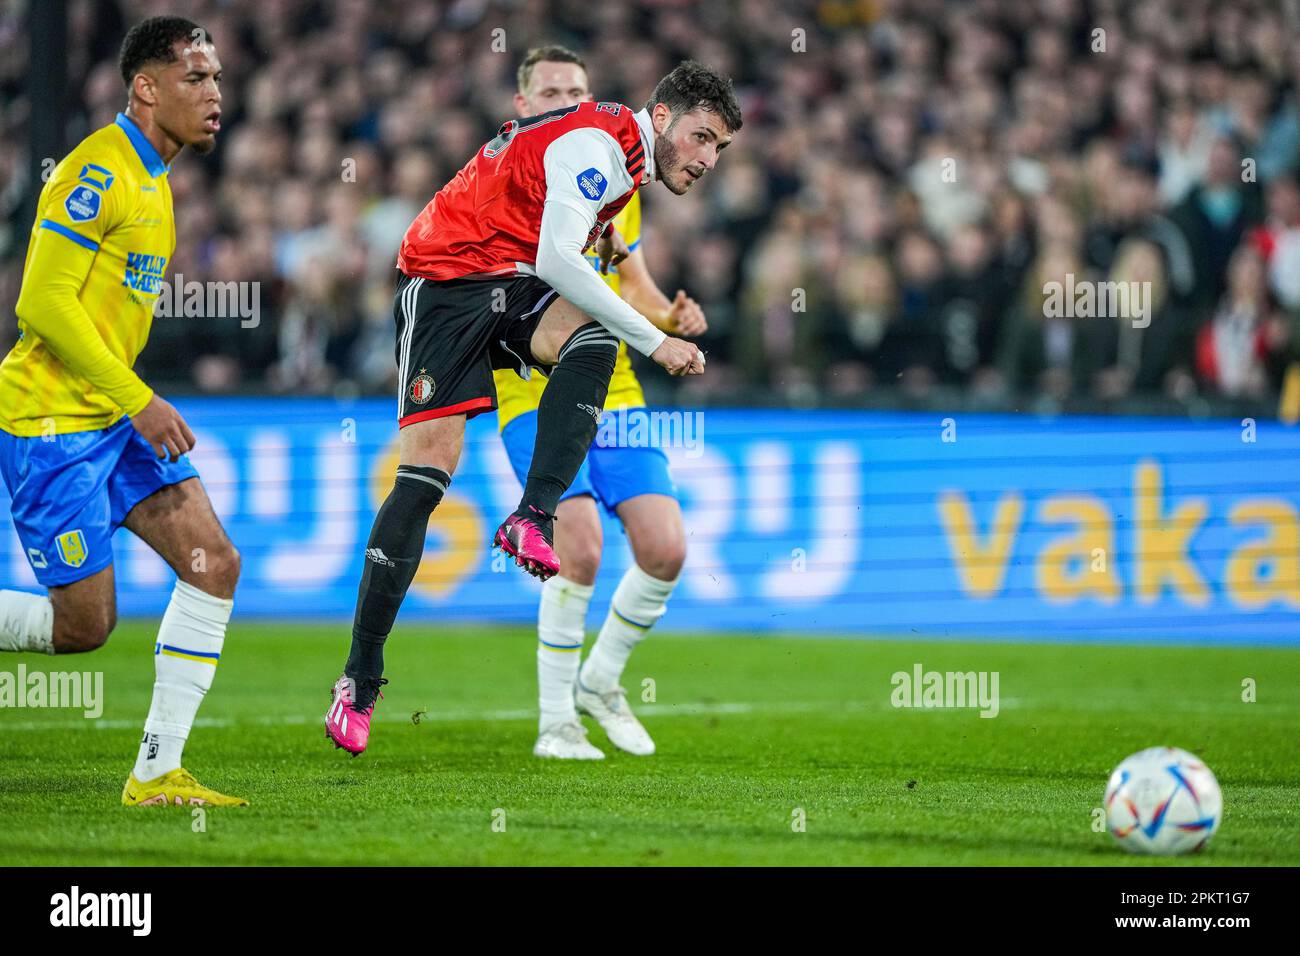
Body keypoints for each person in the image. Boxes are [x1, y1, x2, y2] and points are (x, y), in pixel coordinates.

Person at [325, 60, 742, 757]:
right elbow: (555, 255)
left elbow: (552, 225)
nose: (706, 160)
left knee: (590, 337)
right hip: (446, 281)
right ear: (663, 117)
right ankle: (360, 677)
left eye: (719, 149)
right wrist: (658, 341)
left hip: (508, 281)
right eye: (702, 138)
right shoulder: (602, 146)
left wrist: (625, 276)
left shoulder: (625, 160)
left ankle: (531, 517)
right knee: (426, 478)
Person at [0, 16, 246, 807]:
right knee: (83, 628)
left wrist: (125, 404)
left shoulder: (156, 178)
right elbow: (39, 301)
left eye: (216, 78)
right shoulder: (97, 172)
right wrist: (140, 399)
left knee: (214, 563)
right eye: (196, 79)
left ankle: (156, 772)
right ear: (145, 88)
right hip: (51, 425)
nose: (216, 95)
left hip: (103, 415)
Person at [495, 47, 708, 760]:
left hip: (613, 382)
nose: (564, 99)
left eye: (576, 90)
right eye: (550, 90)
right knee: (577, 550)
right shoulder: (504, 174)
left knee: (666, 548)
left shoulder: (620, 177)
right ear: (522, 104)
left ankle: (601, 681)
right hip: (529, 383)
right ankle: (556, 721)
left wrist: (671, 318)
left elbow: (632, 283)